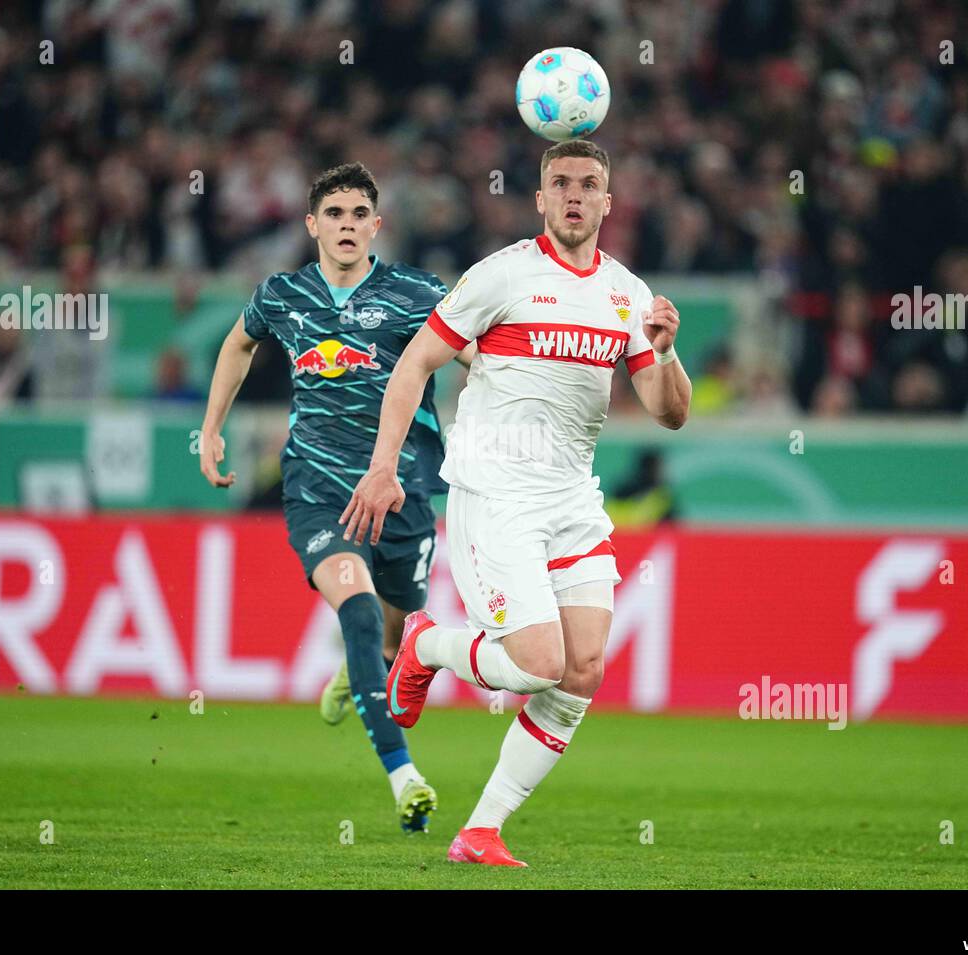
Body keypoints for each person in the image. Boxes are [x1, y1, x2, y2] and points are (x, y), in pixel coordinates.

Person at [341, 139, 692, 867]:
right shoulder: (501, 276)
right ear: (539, 198)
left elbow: (670, 413)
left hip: (571, 499)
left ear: (607, 201)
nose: (573, 194)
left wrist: (663, 352)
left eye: (587, 184)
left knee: (584, 668)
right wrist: (383, 467)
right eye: (559, 182)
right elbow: (415, 363)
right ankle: (427, 644)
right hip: (494, 492)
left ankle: (482, 829)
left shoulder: (626, 293)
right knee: (537, 662)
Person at [197, 162, 472, 833]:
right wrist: (210, 430)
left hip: (403, 488)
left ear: (376, 225)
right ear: (311, 224)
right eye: (335, 214)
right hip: (317, 489)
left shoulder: (416, 292)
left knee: (398, 620)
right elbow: (238, 343)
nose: (347, 225)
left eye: (359, 215)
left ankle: (365, 668)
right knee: (351, 607)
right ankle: (404, 776)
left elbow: (477, 356)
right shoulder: (282, 295)